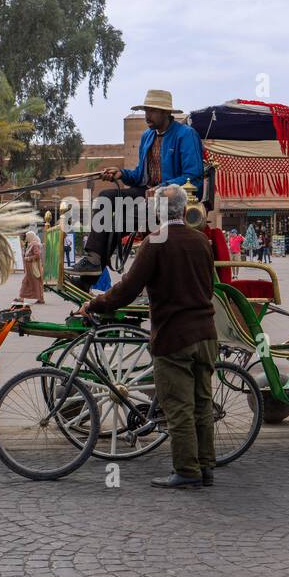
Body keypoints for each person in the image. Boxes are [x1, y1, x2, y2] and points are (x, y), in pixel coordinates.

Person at [80, 184, 218, 489]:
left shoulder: (156, 243)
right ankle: (206, 467)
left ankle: (187, 470)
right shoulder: (201, 241)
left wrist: (95, 303)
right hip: (206, 335)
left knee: (178, 406)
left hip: (174, 337)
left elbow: (127, 289)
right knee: (201, 403)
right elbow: (208, 287)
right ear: (184, 210)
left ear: (156, 212)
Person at [70, 89, 204, 276]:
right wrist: (121, 174)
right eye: (146, 110)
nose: (147, 115)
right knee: (105, 198)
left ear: (166, 113)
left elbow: (194, 175)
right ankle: (93, 260)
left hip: (171, 199)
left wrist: (163, 187)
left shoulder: (185, 135)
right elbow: (140, 175)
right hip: (147, 193)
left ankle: (91, 277)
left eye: (152, 111)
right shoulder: (147, 137)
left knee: (115, 221)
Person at [15, 229, 45, 305]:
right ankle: (22, 298)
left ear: (31, 236)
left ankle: (40, 299)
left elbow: (37, 255)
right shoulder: (31, 244)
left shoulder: (34, 244)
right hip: (29, 269)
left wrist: (28, 258)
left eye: (28, 236)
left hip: (33, 268)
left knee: (35, 283)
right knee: (27, 282)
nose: (26, 238)